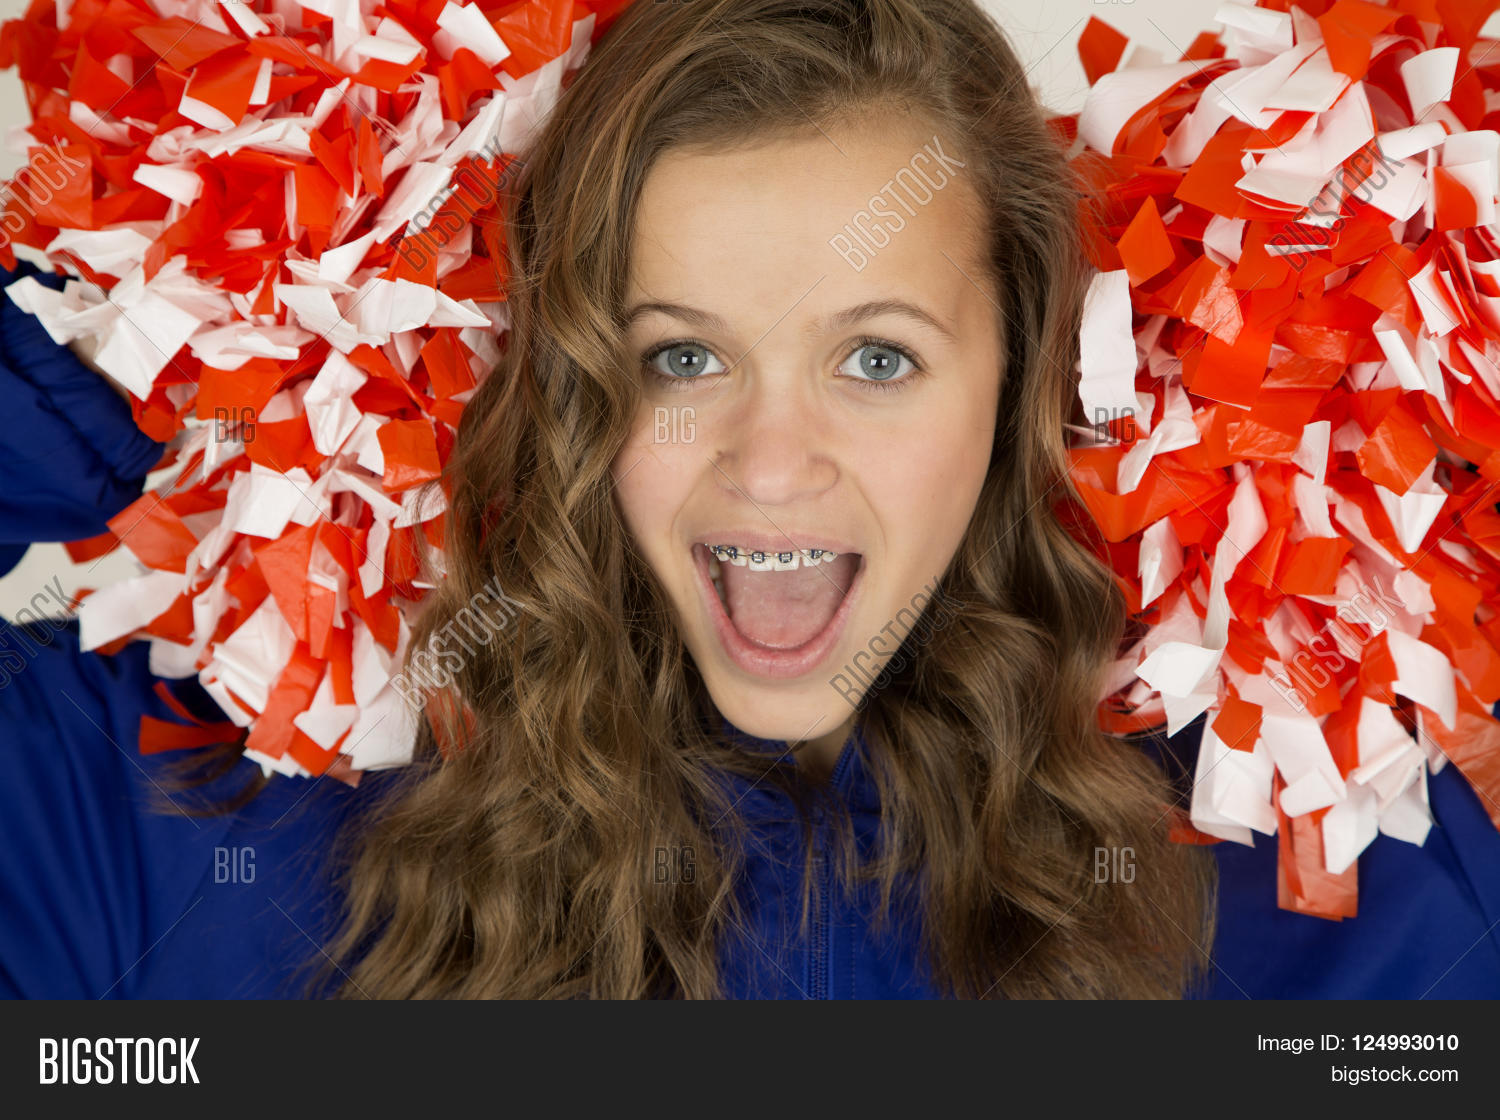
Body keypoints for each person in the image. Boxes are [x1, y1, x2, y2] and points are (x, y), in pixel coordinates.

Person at [1, 0, 1497, 999]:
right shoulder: (169, 804)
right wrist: (116, 372)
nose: (771, 464)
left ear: (1033, 378)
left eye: (875, 355)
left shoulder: (1336, 877)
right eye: (682, 355)